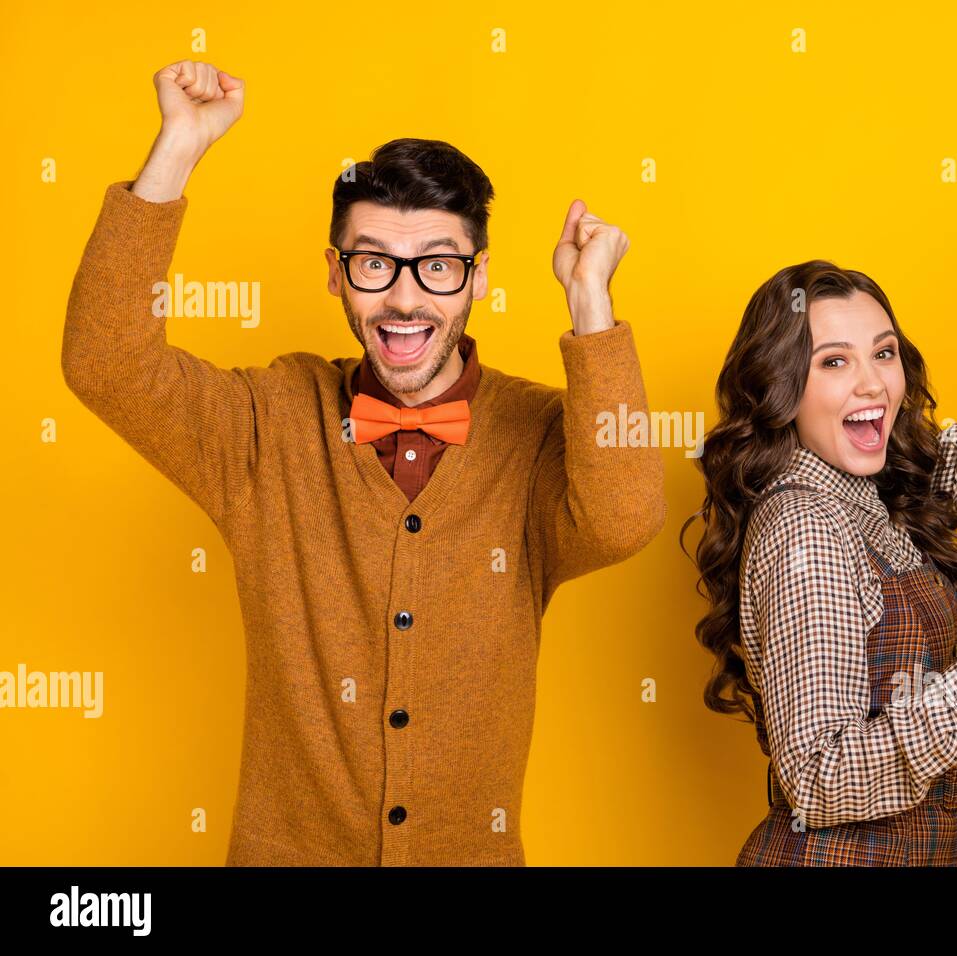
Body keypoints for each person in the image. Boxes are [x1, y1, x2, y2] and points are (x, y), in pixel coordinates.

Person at [61, 60, 666, 866]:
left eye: (438, 266)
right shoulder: (267, 424)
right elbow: (105, 363)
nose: (405, 299)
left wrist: (592, 302)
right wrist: (176, 150)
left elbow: (625, 518)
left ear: (478, 278)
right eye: (374, 263)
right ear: (336, 273)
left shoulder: (538, 435)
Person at [682, 143, 957, 865]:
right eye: (833, 362)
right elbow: (820, 780)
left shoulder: (887, 488)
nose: (872, 385)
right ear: (781, 389)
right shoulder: (805, 525)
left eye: (883, 353)